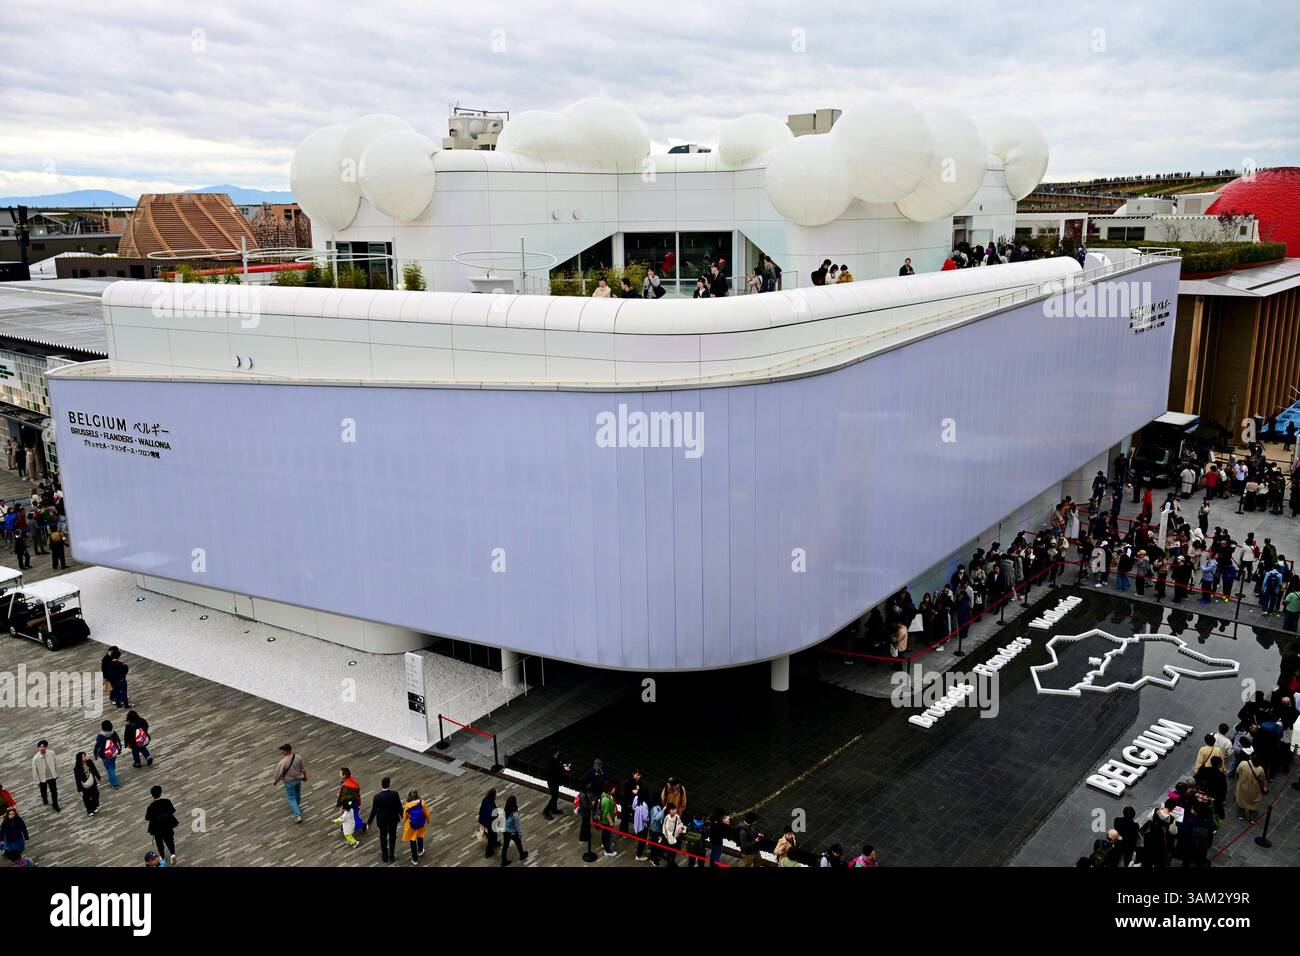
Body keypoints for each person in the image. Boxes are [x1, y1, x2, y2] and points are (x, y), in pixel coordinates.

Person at [367, 776, 403, 863]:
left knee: (383, 838)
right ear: (389, 784)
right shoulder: (395, 794)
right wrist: (404, 816)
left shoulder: (377, 797)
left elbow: (374, 811)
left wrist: (368, 823)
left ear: (381, 785)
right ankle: (391, 854)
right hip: (393, 820)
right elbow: (399, 807)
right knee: (392, 837)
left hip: (382, 821)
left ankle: (384, 856)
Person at [272, 744, 307, 823]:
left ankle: (297, 815)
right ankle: (296, 807)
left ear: (286, 751)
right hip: (298, 780)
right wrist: (305, 777)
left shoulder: (282, 762)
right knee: (297, 794)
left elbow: (278, 773)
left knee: (291, 798)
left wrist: (275, 781)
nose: (281, 752)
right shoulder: (298, 757)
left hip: (289, 782)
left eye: (282, 751)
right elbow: (303, 769)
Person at [144, 785, 178, 864]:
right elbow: (173, 810)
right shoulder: (167, 801)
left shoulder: (150, 807)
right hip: (167, 826)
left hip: (157, 829)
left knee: (159, 843)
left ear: (152, 795)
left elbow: (147, 818)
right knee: (170, 840)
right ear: (160, 793)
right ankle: (172, 854)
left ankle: (162, 857)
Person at [1234, 749, 1267, 821]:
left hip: (1242, 787)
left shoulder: (1243, 764)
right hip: (1254, 790)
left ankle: (1241, 815)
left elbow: (1237, 772)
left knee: (1241, 801)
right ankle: (1252, 818)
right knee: (1253, 803)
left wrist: (1237, 781)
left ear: (1250, 757)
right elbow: (1262, 779)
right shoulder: (1260, 769)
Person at [31, 740, 59, 813]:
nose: (41, 748)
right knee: (43, 791)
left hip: (51, 776)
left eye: (43, 746)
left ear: (46, 747)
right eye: (40, 747)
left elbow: (55, 763)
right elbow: (34, 771)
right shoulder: (35, 758)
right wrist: (37, 781)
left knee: (54, 791)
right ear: (38, 748)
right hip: (42, 779)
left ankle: (55, 804)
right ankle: (44, 798)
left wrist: (56, 774)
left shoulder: (51, 753)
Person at [94, 720, 123, 788]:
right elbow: (118, 741)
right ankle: (112, 775)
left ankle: (115, 783)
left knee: (109, 768)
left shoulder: (100, 736)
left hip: (104, 755)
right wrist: (119, 749)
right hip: (113, 753)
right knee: (111, 765)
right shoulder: (114, 733)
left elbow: (97, 746)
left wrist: (95, 754)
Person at [402, 789, 428, 864]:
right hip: (420, 823)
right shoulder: (422, 802)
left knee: (412, 841)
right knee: (420, 836)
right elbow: (426, 813)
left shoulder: (407, 805)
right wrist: (428, 820)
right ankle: (420, 850)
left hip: (411, 825)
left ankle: (415, 859)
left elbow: (405, 817)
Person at [500, 794, 527, 865]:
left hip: (506, 832)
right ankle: (522, 855)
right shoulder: (515, 814)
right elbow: (517, 825)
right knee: (518, 843)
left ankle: (503, 861)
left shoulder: (505, 811)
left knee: (505, 846)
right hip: (513, 832)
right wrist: (520, 834)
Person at [543, 747, 568, 820]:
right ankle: (546, 811)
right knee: (554, 796)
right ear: (556, 753)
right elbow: (555, 771)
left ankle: (554, 809)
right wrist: (563, 769)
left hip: (555, 781)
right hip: (552, 782)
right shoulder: (552, 761)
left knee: (556, 795)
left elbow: (559, 767)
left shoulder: (555, 759)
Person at [597, 783, 618, 857]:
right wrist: (611, 822)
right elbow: (606, 812)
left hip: (604, 820)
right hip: (606, 821)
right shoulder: (606, 800)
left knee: (605, 833)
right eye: (613, 788)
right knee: (607, 834)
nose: (614, 789)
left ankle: (604, 844)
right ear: (609, 790)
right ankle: (608, 851)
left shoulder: (605, 795)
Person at [478, 787, 499, 859]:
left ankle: (495, 843)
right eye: (496, 793)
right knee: (491, 837)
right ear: (493, 795)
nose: (497, 794)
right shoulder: (491, 806)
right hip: (489, 823)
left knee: (494, 833)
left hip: (484, 820)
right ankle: (488, 852)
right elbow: (493, 816)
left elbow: (481, 809)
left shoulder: (486, 799)